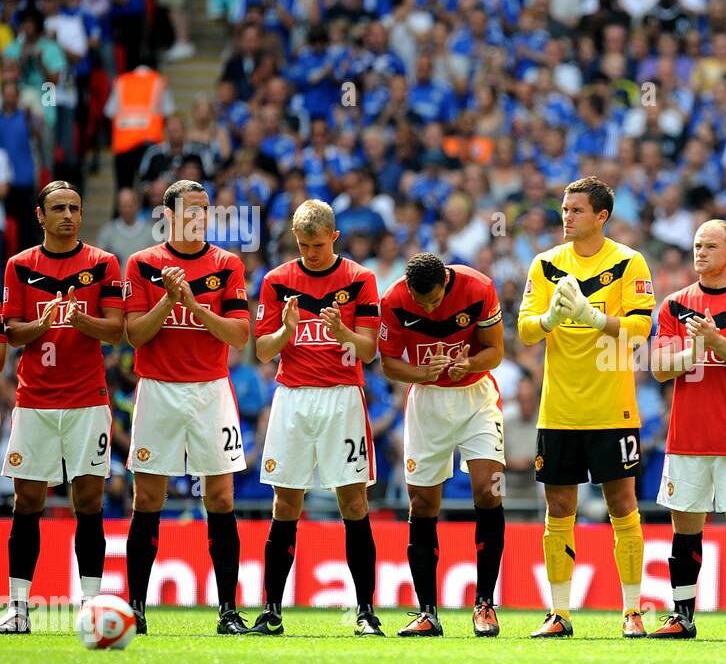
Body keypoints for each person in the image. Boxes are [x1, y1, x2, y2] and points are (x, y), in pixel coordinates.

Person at [516, 176, 656, 639]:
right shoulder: (545, 264)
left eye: (576, 210)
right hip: (558, 409)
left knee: (622, 503)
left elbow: (641, 329)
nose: (566, 216)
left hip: (613, 407)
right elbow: (525, 331)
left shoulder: (628, 262)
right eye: (564, 208)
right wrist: (552, 318)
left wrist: (594, 317)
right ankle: (559, 613)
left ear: (601, 216)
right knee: (558, 506)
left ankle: (632, 611)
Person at [122, 179, 252, 635]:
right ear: (169, 215)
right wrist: (167, 300)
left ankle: (229, 612)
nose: (201, 215)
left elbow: (239, 336)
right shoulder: (143, 264)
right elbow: (134, 335)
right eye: (192, 208)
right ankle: (136, 609)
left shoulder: (227, 265)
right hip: (158, 389)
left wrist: (194, 306)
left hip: (210, 391)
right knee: (148, 499)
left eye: (206, 208)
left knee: (220, 497)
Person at [249, 200, 382, 637]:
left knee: (354, 503)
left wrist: (344, 333)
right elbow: (262, 351)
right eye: (303, 245)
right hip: (292, 399)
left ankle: (365, 612)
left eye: (319, 245)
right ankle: (271, 611)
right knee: (285, 504)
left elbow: (370, 351)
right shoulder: (276, 281)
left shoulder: (360, 279)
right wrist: (286, 332)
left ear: (335, 237)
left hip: (342, 399)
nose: (310, 253)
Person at [1, 182, 123, 634]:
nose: (68, 215)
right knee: (27, 500)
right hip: (34, 402)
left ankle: (90, 605)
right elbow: (12, 334)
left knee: (88, 500)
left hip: (87, 401)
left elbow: (116, 331)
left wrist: (80, 320)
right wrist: (43, 323)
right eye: (58, 208)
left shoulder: (103, 263)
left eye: (74, 207)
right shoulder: (19, 266)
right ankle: (18, 607)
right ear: (40, 215)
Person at [649, 219, 726, 640]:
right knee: (685, 528)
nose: (700, 253)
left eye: (710, 246)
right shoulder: (674, 305)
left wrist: (717, 342)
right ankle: (682, 615)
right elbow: (660, 369)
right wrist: (696, 348)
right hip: (687, 436)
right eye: (696, 246)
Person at [378, 253, 506, 638]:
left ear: (446, 283)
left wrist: (469, 365)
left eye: (435, 300)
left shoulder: (479, 287)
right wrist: (421, 372)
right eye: (423, 303)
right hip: (426, 404)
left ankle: (485, 605)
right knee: (422, 504)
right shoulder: (394, 300)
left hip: (476, 397)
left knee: (488, 491)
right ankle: (427, 612)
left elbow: (495, 352)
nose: (430, 308)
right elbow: (387, 363)